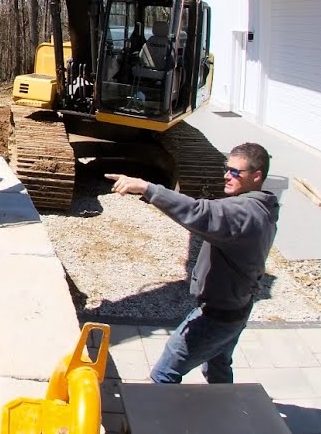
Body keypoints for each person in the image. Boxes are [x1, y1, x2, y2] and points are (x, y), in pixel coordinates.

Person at [106, 143, 279, 384]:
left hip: (217, 316)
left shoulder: (243, 212)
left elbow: (198, 212)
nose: (226, 175)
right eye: (226, 168)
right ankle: (226, 409)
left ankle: (155, 419)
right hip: (237, 307)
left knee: (164, 373)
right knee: (218, 365)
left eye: (235, 172)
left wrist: (147, 188)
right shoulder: (263, 207)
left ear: (257, 176)